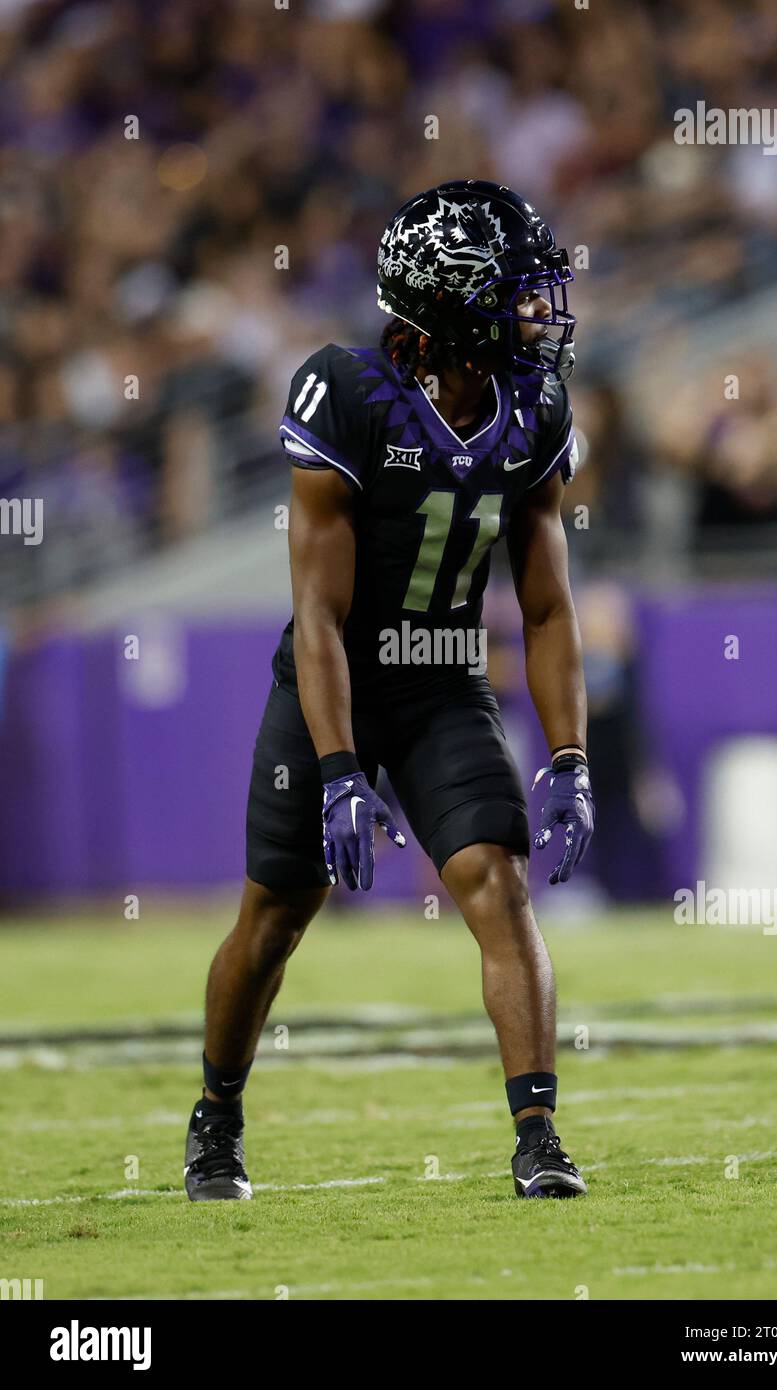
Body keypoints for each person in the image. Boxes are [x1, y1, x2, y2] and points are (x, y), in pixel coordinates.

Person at [184, 180, 595, 1202]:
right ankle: (216, 1111)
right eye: (515, 295)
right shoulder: (347, 392)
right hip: (333, 680)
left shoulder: (533, 409)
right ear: (449, 306)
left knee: (496, 884)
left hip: (445, 683)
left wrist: (571, 758)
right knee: (274, 917)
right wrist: (333, 769)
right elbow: (318, 616)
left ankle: (537, 1136)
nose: (538, 314)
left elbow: (545, 608)